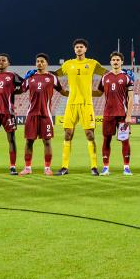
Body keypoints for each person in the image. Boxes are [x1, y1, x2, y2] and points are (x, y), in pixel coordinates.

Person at [53, 39, 107, 176]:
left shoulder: (92, 63)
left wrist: (122, 73)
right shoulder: (68, 64)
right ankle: (64, 167)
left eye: (81, 47)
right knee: (67, 134)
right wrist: (38, 73)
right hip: (71, 103)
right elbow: (55, 75)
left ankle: (94, 167)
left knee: (90, 134)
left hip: (86, 104)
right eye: (76, 47)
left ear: (85, 49)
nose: (78, 49)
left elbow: (107, 74)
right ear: (74, 49)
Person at [21, 53, 62, 175]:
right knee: (29, 141)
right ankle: (27, 168)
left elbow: (61, 90)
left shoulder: (52, 78)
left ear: (47, 63)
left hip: (46, 115)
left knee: (47, 141)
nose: (39, 63)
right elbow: (22, 89)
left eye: (42, 61)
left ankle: (47, 168)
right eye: (38, 61)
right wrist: (25, 78)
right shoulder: (31, 77)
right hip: (31, 114)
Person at [98, 52, 135, 176]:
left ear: (122, 62)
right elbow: (99, 92)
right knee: (106, 140)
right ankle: (105, 167)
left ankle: (126, 167)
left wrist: (129, 115)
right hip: (108, 114)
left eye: (118, 60)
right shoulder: (105, 77)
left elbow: (130, 98)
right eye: (113, 59)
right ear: (110, 62)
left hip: (122, 115)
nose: (115, 62)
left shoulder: (127, 77)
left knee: (124, 140)